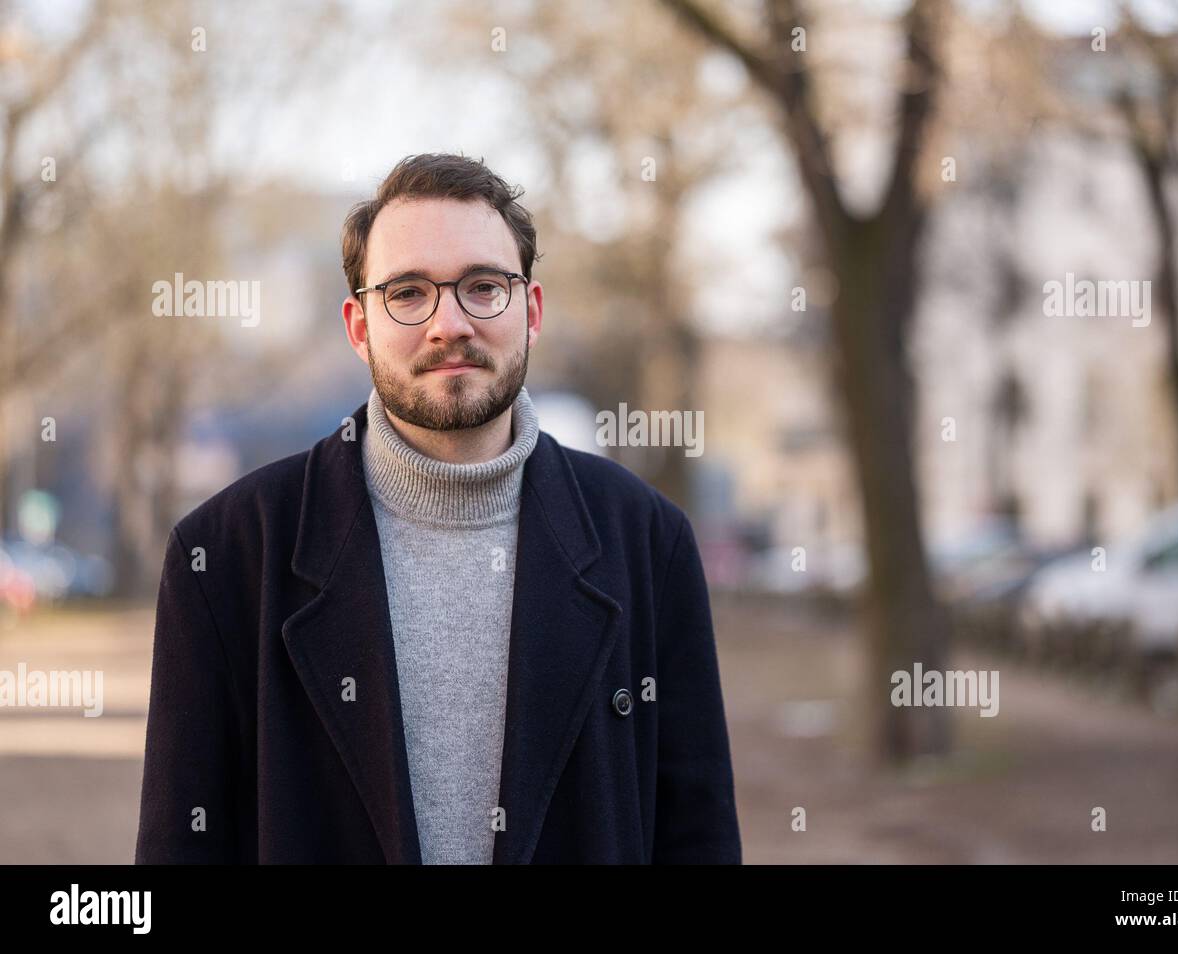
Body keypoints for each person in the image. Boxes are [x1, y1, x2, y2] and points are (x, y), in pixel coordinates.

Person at [134, 152, 742, 864]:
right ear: (358, 326)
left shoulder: (647, 541)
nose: (449, 323)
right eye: (408, 293)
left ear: (531, 310)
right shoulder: (227, 556)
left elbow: (697, 839)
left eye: (483, 286)